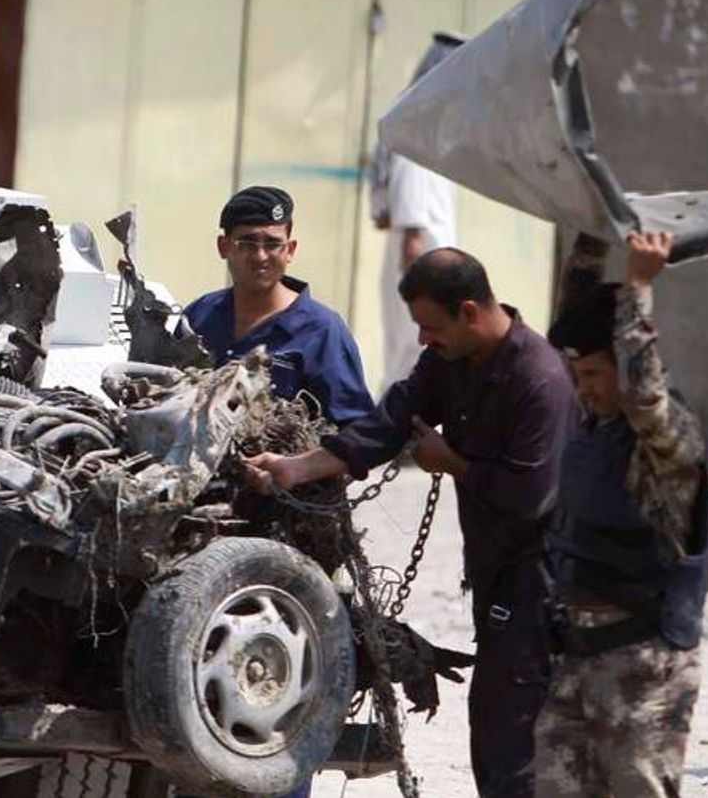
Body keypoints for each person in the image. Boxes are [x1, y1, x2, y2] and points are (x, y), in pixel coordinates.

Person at [241, 247, 575, 798]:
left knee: (513, 723)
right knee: (496, 716)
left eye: (429, 326)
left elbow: (532, 495)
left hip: (544, 571)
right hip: (497, 566)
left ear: (469, 312)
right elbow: (387, 424)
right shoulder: (451, 359)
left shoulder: (538, 379)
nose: (422, 340)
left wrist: (453, 463)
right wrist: (294, 469)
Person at [535, 231, 708, 798]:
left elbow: (642, 393)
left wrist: (638, 285)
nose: (580, 390)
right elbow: (569, 333)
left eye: (593, 377)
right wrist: (587, 236)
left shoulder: (663, 440)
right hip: (578, 657)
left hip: (643, 666)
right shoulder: (594, 426)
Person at [183, 185, 375, 425]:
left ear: (290, 250)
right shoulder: (200, 316)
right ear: (224, 247)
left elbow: (355, 432)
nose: (261, 256)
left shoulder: (322, 331)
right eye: (247, 243)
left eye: (272, 244)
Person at [371, 33, 462, 390]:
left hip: (429, 278)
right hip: (424, 277)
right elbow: (413, 237)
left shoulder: (431, 138)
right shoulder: (418, 140)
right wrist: (422, 296)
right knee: (411, 362)